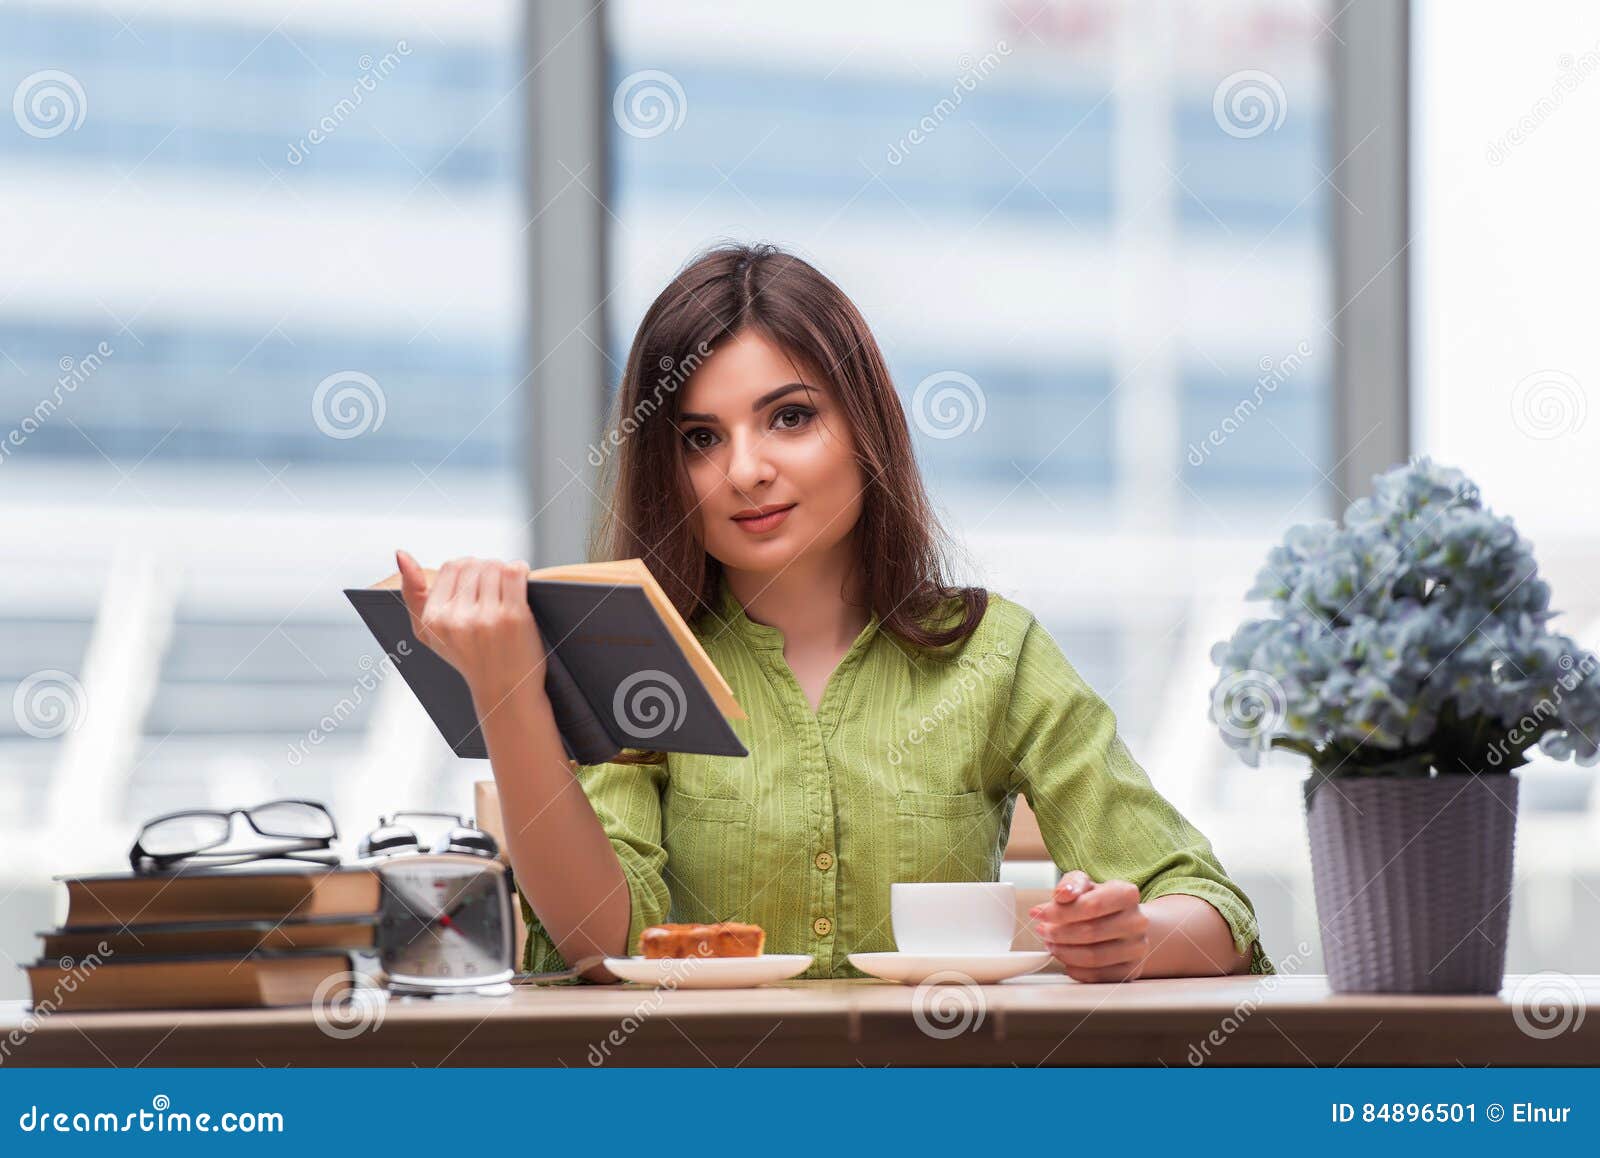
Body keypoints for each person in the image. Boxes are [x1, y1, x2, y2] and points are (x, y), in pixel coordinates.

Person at [395, 242, 1274, 983]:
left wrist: (1133, 938)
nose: (746, 471)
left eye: (789, 418)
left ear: (866, 428)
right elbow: (602, 946)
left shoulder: (994, 654)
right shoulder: (632, 655)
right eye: (700, 438)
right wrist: (507, 692)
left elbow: (1212, 910)